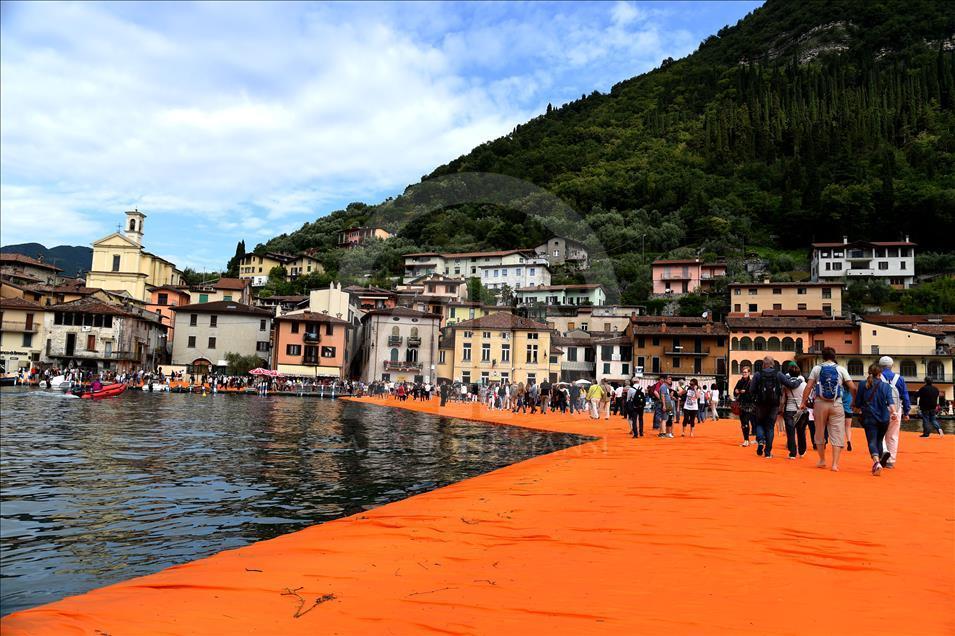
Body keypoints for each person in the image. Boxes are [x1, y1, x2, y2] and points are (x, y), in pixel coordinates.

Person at [799, 347, 857, 472]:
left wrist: (803, 402)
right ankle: (835, 464)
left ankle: (822, 460)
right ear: (834, 356)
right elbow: (853, 388)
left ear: (823, 357)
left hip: (820, 403)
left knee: (819, 431)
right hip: (837, 403)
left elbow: (808, 387)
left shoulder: (817, 368)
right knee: (837, 433)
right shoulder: (841, 369)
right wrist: (854, 402)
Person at [750, 357, 803, 458]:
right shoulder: (778, 374)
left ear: (763, 364)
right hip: (774, 405)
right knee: (770, 427)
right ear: (773, 364)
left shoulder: (757, 374)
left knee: (760, 424)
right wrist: (800, 380)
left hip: (761, 404)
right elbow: (791, 385)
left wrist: (758, 396)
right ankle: (768, 453)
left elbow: (751, 390)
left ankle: (760, 440)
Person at [855, 363, 895, 476]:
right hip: (884, 418)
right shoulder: (886, 386)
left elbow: (858, 402)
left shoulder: (863, 384)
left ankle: (877, 463)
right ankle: (879, 463)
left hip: (869, 416)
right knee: (879, 440)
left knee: (871, 440)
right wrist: (894, 412)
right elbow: (890, 402)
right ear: (880, 374)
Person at [879, 356, 910, 468]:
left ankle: (883, 451)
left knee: (879, 434)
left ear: (880, 366)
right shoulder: (899, 378)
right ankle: (890, 461)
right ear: (892, 366)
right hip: (896, 410)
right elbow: (905, 396)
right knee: (893, 435)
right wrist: (906, 412)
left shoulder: (877, 377)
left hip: (880, 409)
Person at [780, 363, 808, 459]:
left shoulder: (786, 385)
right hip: (801, 410)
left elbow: (783, 399)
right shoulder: (805, 384)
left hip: (789, 410)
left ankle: (792, 453)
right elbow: (808, 397)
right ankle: (802, 451)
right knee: (801, 431)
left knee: (790, 432)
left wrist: (781, 409)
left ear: (789, 374)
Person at [734, 367, 755, 446]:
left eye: (746, 372)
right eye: (743, 372)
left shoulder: (751, 382)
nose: (744, 373)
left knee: (746, 421)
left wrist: (745, 392)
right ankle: (746, 439)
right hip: (740, 404)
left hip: (749, 404)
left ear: (749, 373)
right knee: (742, 423)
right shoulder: (739, 381)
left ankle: (747, 440)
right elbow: (735, 392)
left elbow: (753, 394)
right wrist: (736, 391)